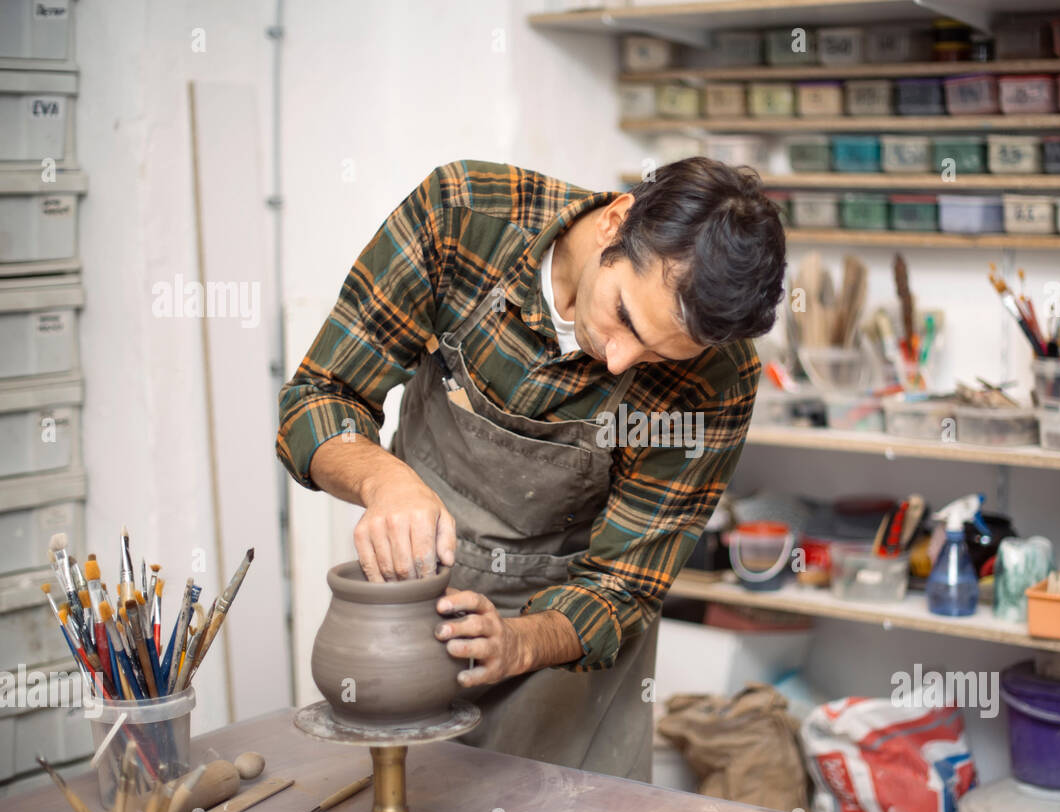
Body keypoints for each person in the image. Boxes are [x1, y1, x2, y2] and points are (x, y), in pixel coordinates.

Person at [277, 157, 786, 780]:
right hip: (421, 604)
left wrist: (519, 642)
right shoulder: (463, 218)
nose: (623, 360)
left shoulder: (718, 377)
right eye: (625, 317)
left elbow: (624, 586)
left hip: (563, 649)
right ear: (617, 224)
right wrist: (383, 480)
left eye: (658, 354)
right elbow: (318, 397)